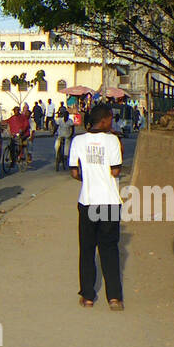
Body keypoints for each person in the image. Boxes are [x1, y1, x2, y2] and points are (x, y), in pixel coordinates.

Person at [68, 103, 124, 310]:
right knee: (109, 250)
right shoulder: (112, 140)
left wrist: (88, 178)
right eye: (111, 118)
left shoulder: (78, 140)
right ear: (104, 120)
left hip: (88, 201)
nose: (112, 122)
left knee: (87, 250)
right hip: (109, 202)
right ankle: (115, 298)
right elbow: (116, 172)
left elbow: (74, 172)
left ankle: (88, 296)